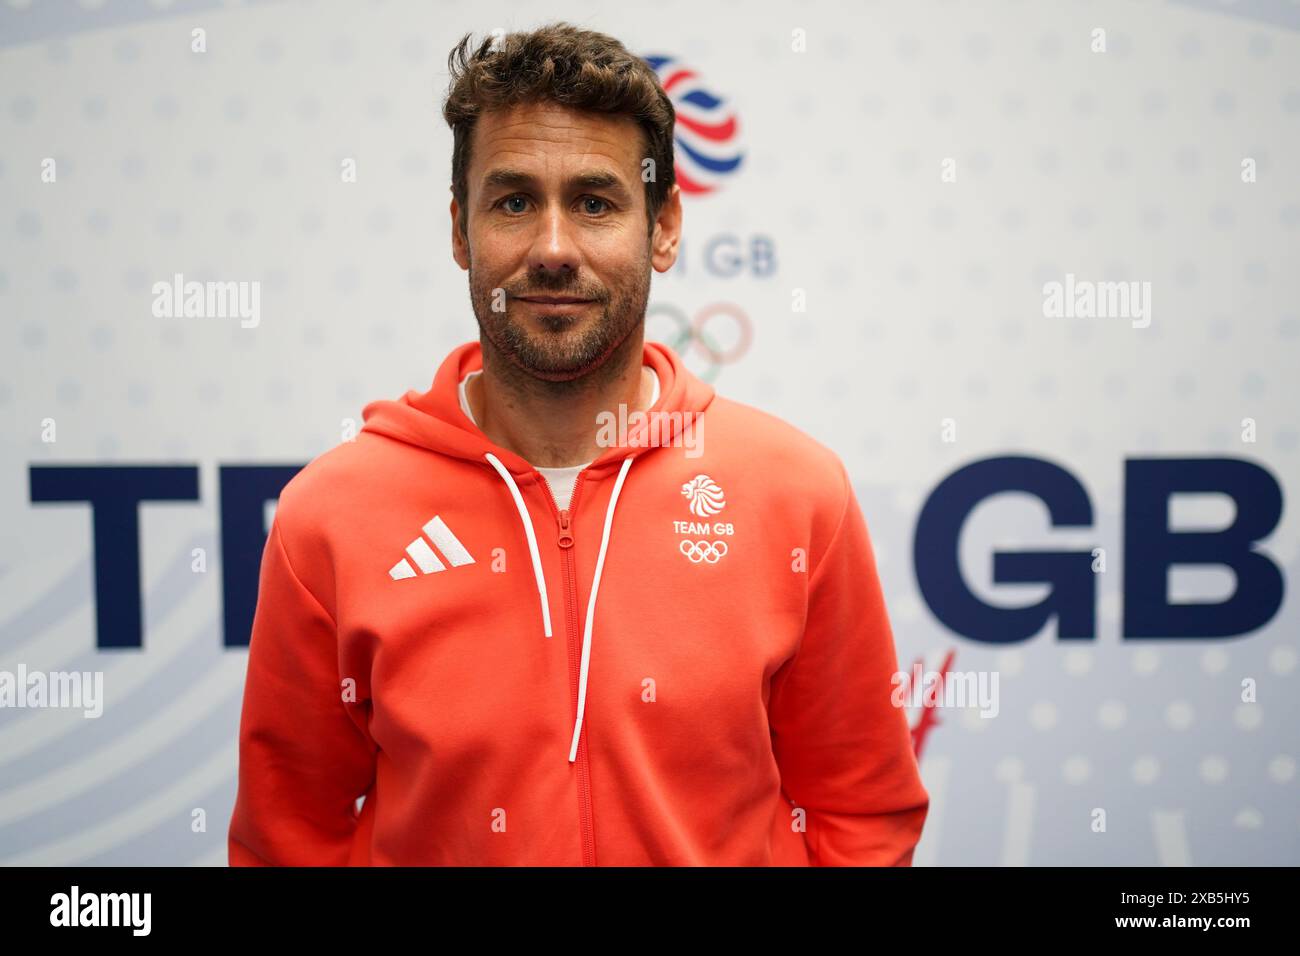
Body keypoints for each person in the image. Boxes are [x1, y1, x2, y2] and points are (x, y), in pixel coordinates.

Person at [228, 21, 928, 866]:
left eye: (595, 203)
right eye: (514, 201)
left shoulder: (794, 493)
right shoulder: (330, 518)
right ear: (460, 231)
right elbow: (288, 837)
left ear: (662, 229)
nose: (553, 249)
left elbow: (863, 810)